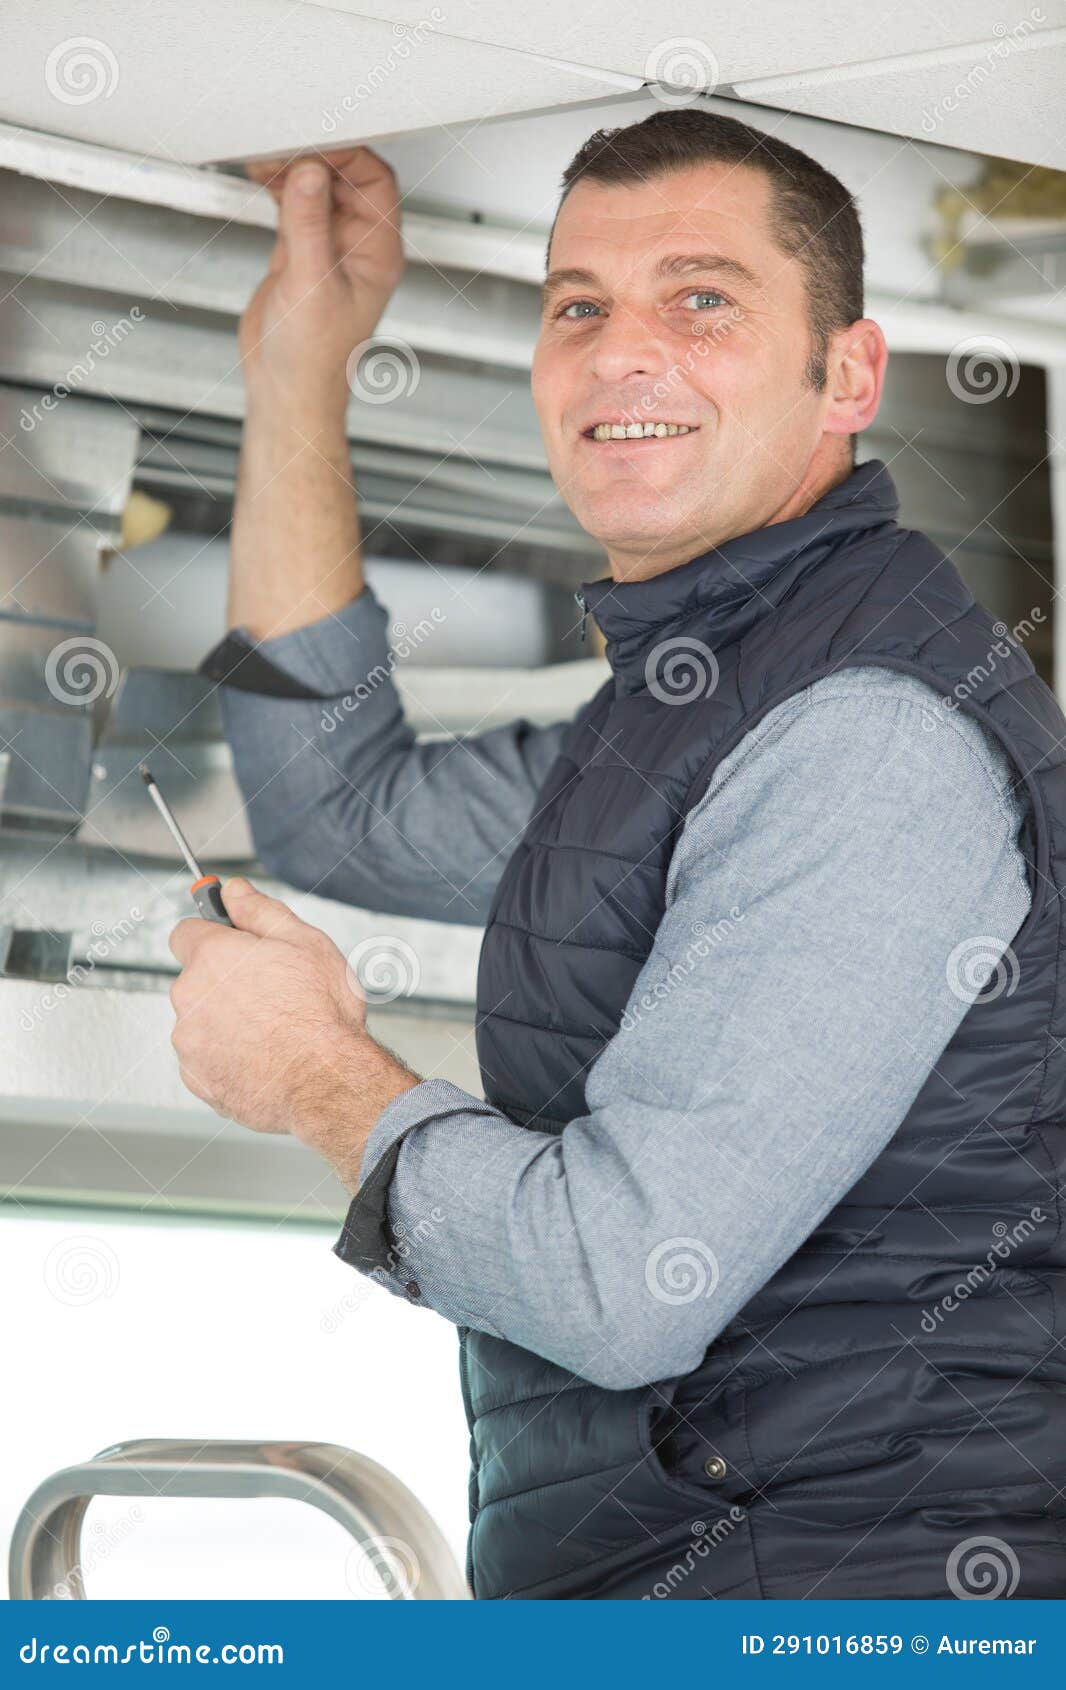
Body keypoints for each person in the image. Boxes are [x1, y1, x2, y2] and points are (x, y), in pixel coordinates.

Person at [174, 108, 1066, 1599]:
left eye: (700, 301)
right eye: (575, 306)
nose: (616, 353)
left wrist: (316, 1073)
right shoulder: (692, 705)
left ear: (846, 373)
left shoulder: (862, 734)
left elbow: (615, 1282)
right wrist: (296, 363)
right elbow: (341, 807)